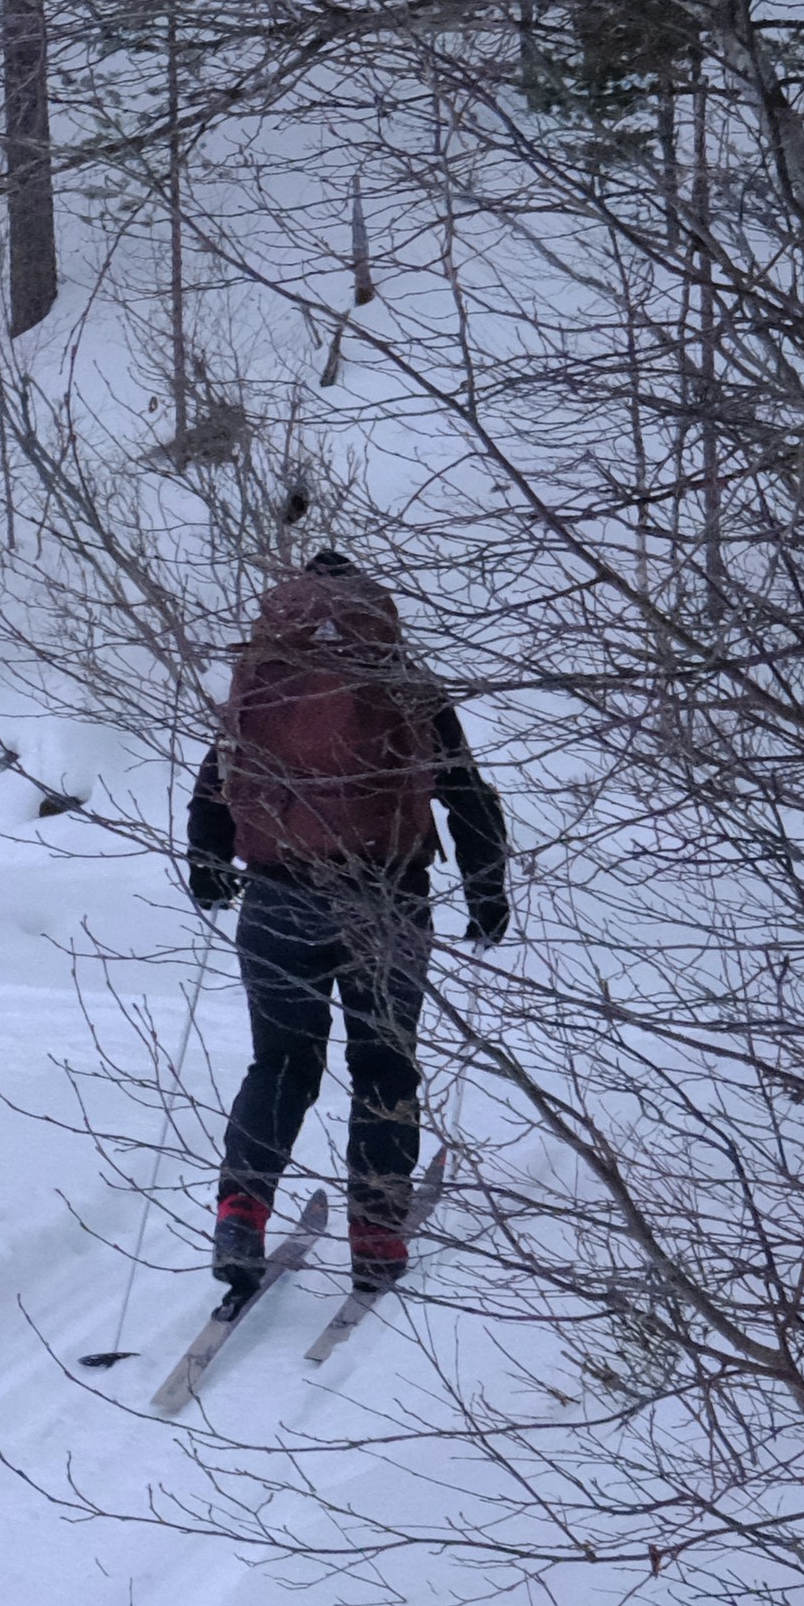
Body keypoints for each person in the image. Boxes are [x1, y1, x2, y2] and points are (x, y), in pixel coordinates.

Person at [186, 546, 510, 1301]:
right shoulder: (406, 686)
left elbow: (217, 780)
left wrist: (208, 864)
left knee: (282, 1065)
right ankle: (375, 1227)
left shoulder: (258, 683)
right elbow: (466, 793)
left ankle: (242, 1206)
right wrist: (485, 891)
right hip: (388, 897)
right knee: (384, 1064)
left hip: (277, 899)